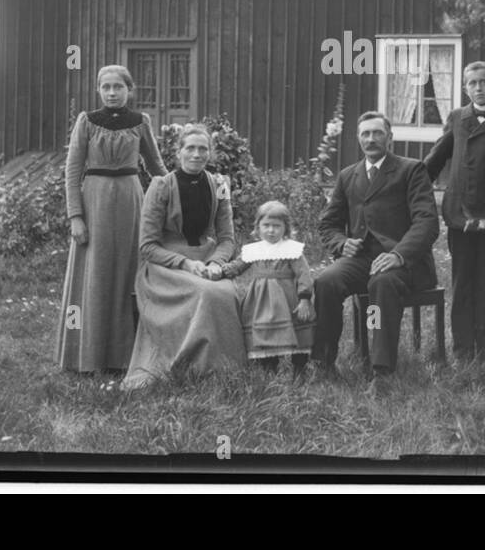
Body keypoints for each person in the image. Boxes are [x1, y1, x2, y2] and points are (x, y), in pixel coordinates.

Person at [311, 111, 439, 386]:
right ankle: (323, 363)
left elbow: (427, 222)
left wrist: (398, 255)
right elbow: (328, 224)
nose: (371, 139)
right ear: (358, 139)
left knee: (381, 283)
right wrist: (341, 243)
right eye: (365, 134)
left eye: (377, 133)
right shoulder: (348, 176)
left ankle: (381, 371)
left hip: (405, 263)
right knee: (326, 281)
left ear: (390, 137)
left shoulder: (411, 170)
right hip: (362, 259)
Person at [56, 65, 166, 373]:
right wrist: (76, 217)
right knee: (96, 275)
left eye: (118, 87)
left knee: (129, 274)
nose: (112, 93)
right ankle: (87, 356)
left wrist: (180, 191)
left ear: (130, 90)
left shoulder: (141, 122)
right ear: (99, 90)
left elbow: (156, 167)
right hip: (95, 205)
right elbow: (72, 172)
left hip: (131, 203)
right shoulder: (87, 122)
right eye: (106, 87)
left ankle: (127, 357)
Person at [122, 124, 245, 389]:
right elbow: (147, 246)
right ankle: (194, 368)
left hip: (207, 260)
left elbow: (227, 238)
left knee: (228, 292)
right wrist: (186, 264)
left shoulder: (219, 185)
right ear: (179, 152)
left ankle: (227, 369)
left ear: (210, 153)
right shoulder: (161, 186)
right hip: (165, 266)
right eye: (190, 148)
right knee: (208, 293)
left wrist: (216, 263)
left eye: (203, 149)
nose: (196, 154)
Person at [424, 61, 485, 367]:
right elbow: (436, 159)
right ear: (465, 87)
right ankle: (462, 350)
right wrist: (411, 186)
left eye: (483, 82)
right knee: (462, 281)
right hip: (460, 215)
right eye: (472, 83)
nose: (478, 88)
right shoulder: (457, 118)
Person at [222, 201, 315, 379]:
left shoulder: (292, 249)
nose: (271, 230)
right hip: (260, 301)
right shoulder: (253, 250)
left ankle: (300, 370)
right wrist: (225, 270)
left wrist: (305, 299)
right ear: (258, 227)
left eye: (277, 226)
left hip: (288, 300)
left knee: (297, 333)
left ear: (286, 228)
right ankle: (269, 369)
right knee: (264, 333)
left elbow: (304, 275)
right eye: (266, 225)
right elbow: (238, 266)